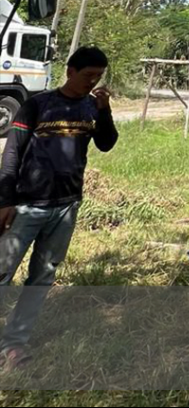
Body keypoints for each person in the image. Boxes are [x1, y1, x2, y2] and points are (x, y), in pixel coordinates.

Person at [0, 45, 118, 366]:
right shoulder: (38, 105)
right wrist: (5, 201)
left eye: (97, 77)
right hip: (27, 205)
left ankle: (14, 343)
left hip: (66, 206)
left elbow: (107, 144)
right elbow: (11, 154)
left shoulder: (93, 109)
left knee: (42, 277)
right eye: (87, 75)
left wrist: (105, 110)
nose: (91, 83)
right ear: (70, 72)